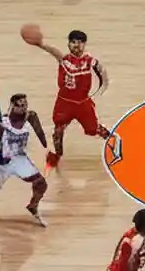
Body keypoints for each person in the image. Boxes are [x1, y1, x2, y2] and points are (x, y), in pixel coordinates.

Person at [32, 28, 111, 170]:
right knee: (58, 130)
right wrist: (41, 45)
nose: (76, 45)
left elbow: (105, 80)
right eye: (73, 42)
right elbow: (54, 51)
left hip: (82, 103)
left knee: (92, 130)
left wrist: (95, 96)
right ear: (68, 44)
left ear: (85, 45)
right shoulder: (64, 60)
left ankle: (111, 138)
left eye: (80, 42)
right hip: (64, 103)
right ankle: (57, 155)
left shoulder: (91, 62)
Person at [0, 94, 50, 227]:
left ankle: (33, 205)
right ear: (13, 106)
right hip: (4, 161)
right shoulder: (1, 123)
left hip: (19, 158)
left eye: (25, 104)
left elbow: (39, 131)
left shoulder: (31, 116)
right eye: (20, 105)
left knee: (41, 183)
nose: (24, 108)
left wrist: (45, 144)